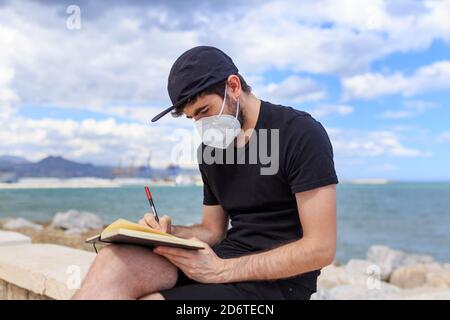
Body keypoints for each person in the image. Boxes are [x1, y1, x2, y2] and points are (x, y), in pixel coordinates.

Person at [73, 46, 338, 300]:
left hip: (279, 285)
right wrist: (170, 233)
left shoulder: (300, 133)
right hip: (222, 260)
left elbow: (320, 249)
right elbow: (213, 231)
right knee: (113, 261)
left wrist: (221, 271)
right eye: (193, 119)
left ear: (233, 87)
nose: (202, 125)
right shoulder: (211, 150)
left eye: (204, 111)